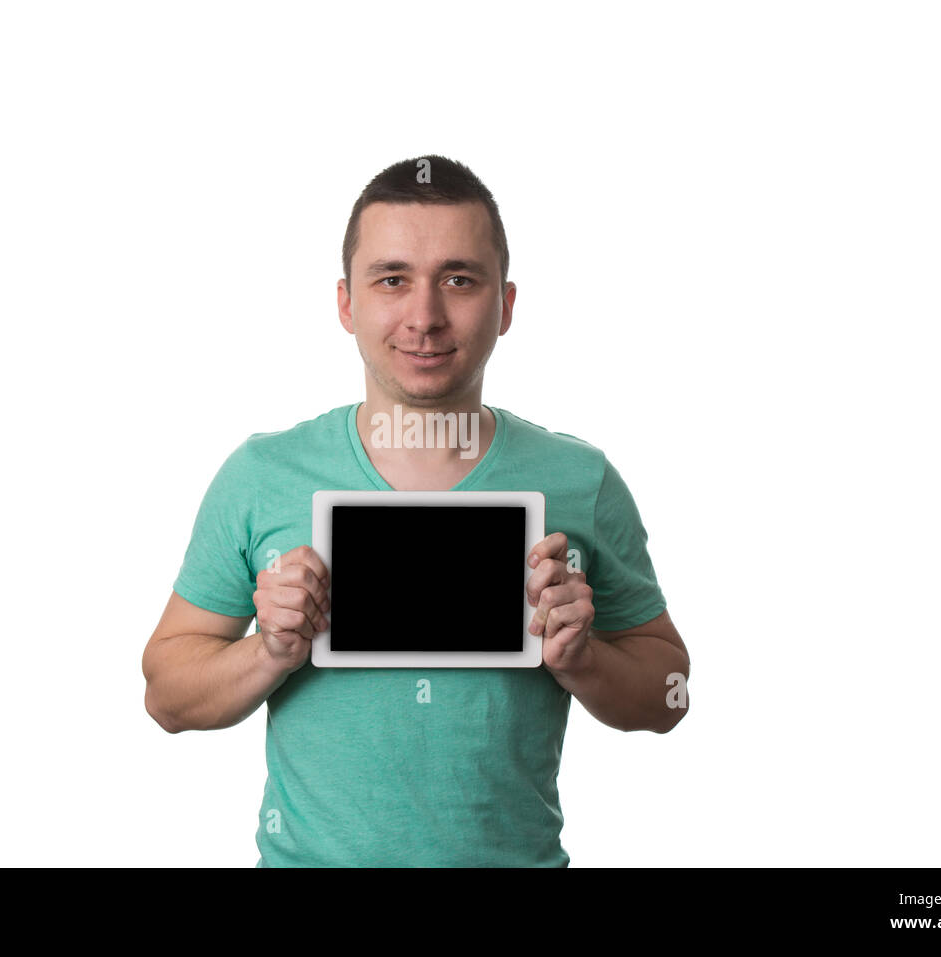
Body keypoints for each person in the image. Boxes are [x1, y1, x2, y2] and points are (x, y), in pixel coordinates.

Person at [141, 155, 691, 867]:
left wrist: (585, 661)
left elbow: (671, 693)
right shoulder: (261, 476)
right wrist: (267, 652)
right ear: (346, 303)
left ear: (506, 304)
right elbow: (164, 694)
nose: (425, 317)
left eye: (459, 280)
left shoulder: (579, 480)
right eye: (392, 279)